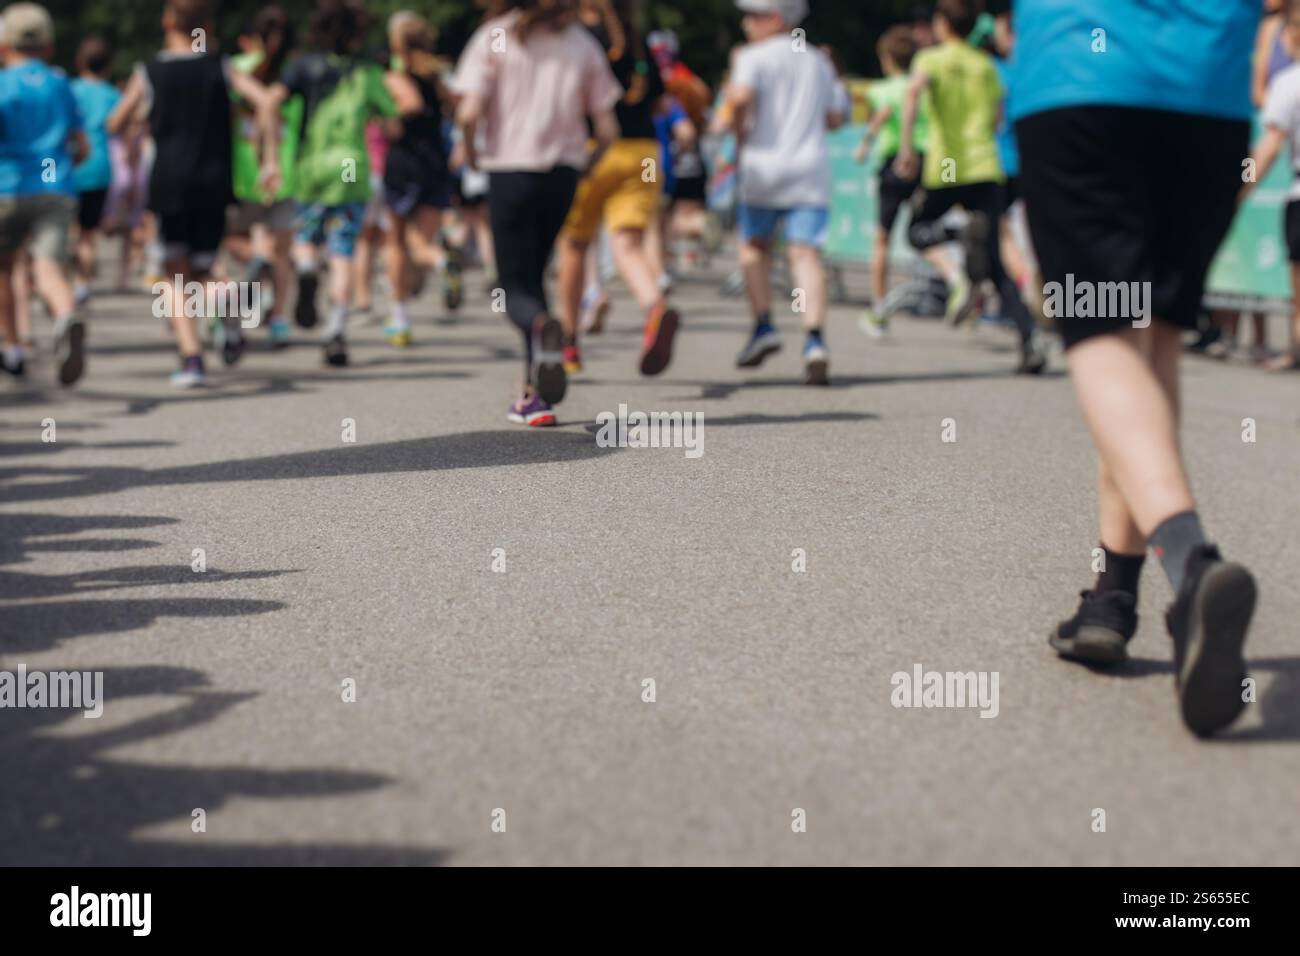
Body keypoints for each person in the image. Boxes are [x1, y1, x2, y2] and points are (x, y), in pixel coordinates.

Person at [1014, 0, 1260, 736]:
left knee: (1099, 328)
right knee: (1152, 344)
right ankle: (1113, 594)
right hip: (1206, 92)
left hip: (1082, 83)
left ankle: (1188, 562)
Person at [453, 0, 621, 426]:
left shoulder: (494, 35)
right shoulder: (581, 41)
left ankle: (544, 328)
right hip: (561, 174)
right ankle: (534, 395)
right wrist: (588, 163)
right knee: (536, 273)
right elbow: (607, 129)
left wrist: (471, 151)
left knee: (512, 285)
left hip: (509, 168)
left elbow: (469, 111)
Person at [107, 0, 278, 386]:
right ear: (207, 25)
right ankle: (229, 295)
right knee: (203, 267)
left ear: (168, 22)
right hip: (215, 183)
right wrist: (268, 160)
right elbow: (265, 100)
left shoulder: (149, 71)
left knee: (174, 276)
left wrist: (137, 124)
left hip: (170, 184)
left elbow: (115, 121)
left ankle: (192, 359)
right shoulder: (219, 65)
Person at [895, 0, 1046, 374]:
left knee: (916, 231)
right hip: (986, 167)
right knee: (994, 264)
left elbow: (912, 94)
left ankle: (956, 233)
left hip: (947, 166)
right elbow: (997, 120)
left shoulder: (931, 59)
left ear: (944, 24)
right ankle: (1029, 340)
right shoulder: (987, 66)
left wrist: (907, 148)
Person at [267, 0, 400, 368]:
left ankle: (307, 270)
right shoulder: (367, 72)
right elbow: (392, 122)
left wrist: (270, 153)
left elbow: (270, 102)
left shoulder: (302, 67)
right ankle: (335, 331)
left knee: (305, 238)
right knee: (343, 250)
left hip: (311, 168)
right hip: (350, 169)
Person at [723, 0, 846, 386]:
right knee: (805, 255)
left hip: (763, 167)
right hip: (809, 168)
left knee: (755, 248)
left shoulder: (753, 57)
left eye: (753, 16)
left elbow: (739, 99)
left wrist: (739, 132)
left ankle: (764, 325)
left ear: (775, 19)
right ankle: (814, 340)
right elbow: (836, 117)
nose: (746, 24)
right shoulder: (819, 61)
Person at [556, 0, 681, 379]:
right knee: (628, 243)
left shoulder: (575, 38)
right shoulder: (637, 40)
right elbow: (660, 103)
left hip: (595, 149)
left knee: (576, 244)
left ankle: (570, 342)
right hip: (643, 154)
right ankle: (653, 305)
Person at [0, 2, 89, 384]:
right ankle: (65, 312)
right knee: (48, 265)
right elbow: (81, 144)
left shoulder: (3, 84)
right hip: (55, 187)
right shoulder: (60, 82)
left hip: (9, 187)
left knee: (4, 268)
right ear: (50, 47)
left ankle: (14, 344)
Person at [381, 11, 459, 348]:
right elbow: (456, 105)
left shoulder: (395, 76)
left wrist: (388, 120)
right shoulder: (438, 75)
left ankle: (400, 318)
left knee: (398, 243)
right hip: (436, 163)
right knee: (422, 244)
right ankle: (441, 261)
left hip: (404, 163)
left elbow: (409, 105)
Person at [225, 5, 300, 349]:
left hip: (243, 171)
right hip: (288, 169)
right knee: (283, 251)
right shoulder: (295, 71)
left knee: (231, 240)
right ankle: (279, 320)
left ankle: (255, 271)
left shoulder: (237, 68)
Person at [855, 25, 928, 337]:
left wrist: (866, 141)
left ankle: (879, 310)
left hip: (895, 162)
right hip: (926, 160)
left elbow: (883, 112)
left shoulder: (881, 90)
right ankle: (955, 278)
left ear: (886, 58)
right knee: (924, 229)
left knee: (882, 238)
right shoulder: (923, 86)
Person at [70, 37, 121, 309]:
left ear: (80, 62)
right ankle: (82, 285)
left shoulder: (70, 89)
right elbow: (122, 127)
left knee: (71, 230)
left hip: (70, 166)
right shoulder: (112, 94)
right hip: (100, 167)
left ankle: (66, 280)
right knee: (89, 234)